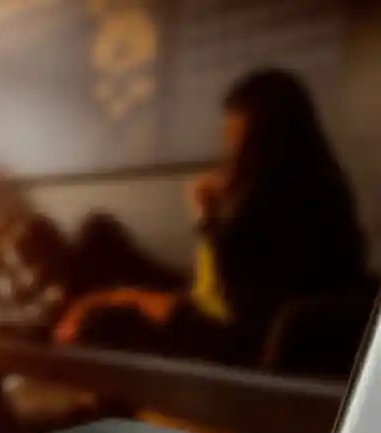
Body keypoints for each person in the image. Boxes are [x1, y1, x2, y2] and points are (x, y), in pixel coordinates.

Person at [56, 68, 370, 363]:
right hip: (216, 310)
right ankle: (56, 301)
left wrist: (206, 218)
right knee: (101, 233)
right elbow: (221, 284)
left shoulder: (277, 201)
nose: (228, 152)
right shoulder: (320, 188)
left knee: (101, 320)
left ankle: (56, 310)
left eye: (235, 143)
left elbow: (228, 307)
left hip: (226, 336)